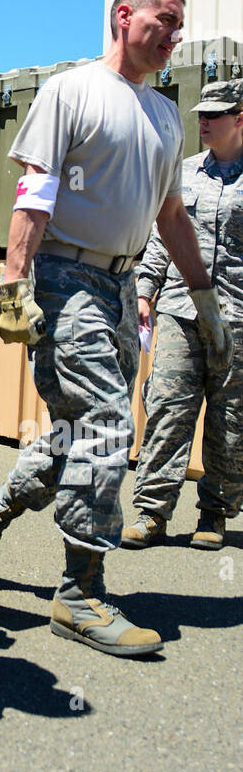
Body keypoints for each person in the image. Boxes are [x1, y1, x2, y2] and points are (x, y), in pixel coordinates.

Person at [0, 0, 233, 657]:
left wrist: (201, 300)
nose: (172, 35)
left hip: (119, 285)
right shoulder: (70, 91)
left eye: (178, 25)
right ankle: (78, 594)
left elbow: (171, 216)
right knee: (108, 426)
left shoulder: (164, 115)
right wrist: (14, 286)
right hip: (62, 276)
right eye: (162, 20)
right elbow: (32, 193)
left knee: (82, 432)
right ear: (122, 16)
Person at [123, 80, 243, 552]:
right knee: (169, 406)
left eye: (215, 114)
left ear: (240, 118)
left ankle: (214, 513)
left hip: (237, 314)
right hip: (179, 307)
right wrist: (145, 289)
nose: (204, 121)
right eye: (201, 114)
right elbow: (162, 235)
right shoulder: (186, 172)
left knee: (230, 420)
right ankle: (151, 513)